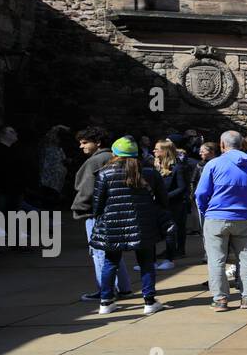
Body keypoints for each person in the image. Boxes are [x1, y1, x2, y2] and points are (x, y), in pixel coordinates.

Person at [91, 137, 172, 316]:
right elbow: (163, 201)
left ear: (114, 154)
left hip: (112, 224)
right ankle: (149, 301)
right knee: (146, 263)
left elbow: (97, 205)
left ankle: (106, 302)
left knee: (110, 262)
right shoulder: (150, 173)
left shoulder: (104, 173)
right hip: (143, 223)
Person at [196, 131, 247, 309]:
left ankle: (220, 299)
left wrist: (206, 211)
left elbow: (201, 194)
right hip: (244, 216)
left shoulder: (213, 164)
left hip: (216, 217)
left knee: (216, 260)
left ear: (222, 144)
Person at [71, 126, 132, 302]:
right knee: (114, 251)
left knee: (100, 253)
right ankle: (124, 287)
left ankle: (105, 290)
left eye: (84, 143)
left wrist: (80, 208)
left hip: (97, 214)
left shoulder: (94, 162)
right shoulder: (116, 157)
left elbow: (87, 190)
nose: (81, 146)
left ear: (97, 143)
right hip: (115, 211)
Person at [152, 139, 186, 268]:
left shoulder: (177, 167)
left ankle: (169, 259)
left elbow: (181, 187)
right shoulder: (155, 166)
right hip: (158, 204)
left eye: (156, 148)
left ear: (164, 151)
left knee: (170, 231)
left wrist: (164, 197)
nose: (154, 151)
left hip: (173, 204)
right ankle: (153, 261)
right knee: (155, 231)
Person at [38, 125, 70, 207]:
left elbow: (63, 160)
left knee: (52, 199)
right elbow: (50, 136)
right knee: (47, 197)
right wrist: (58, 127)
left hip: (56, 179)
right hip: (48, 178)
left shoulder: (59, 149)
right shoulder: (48, 147)